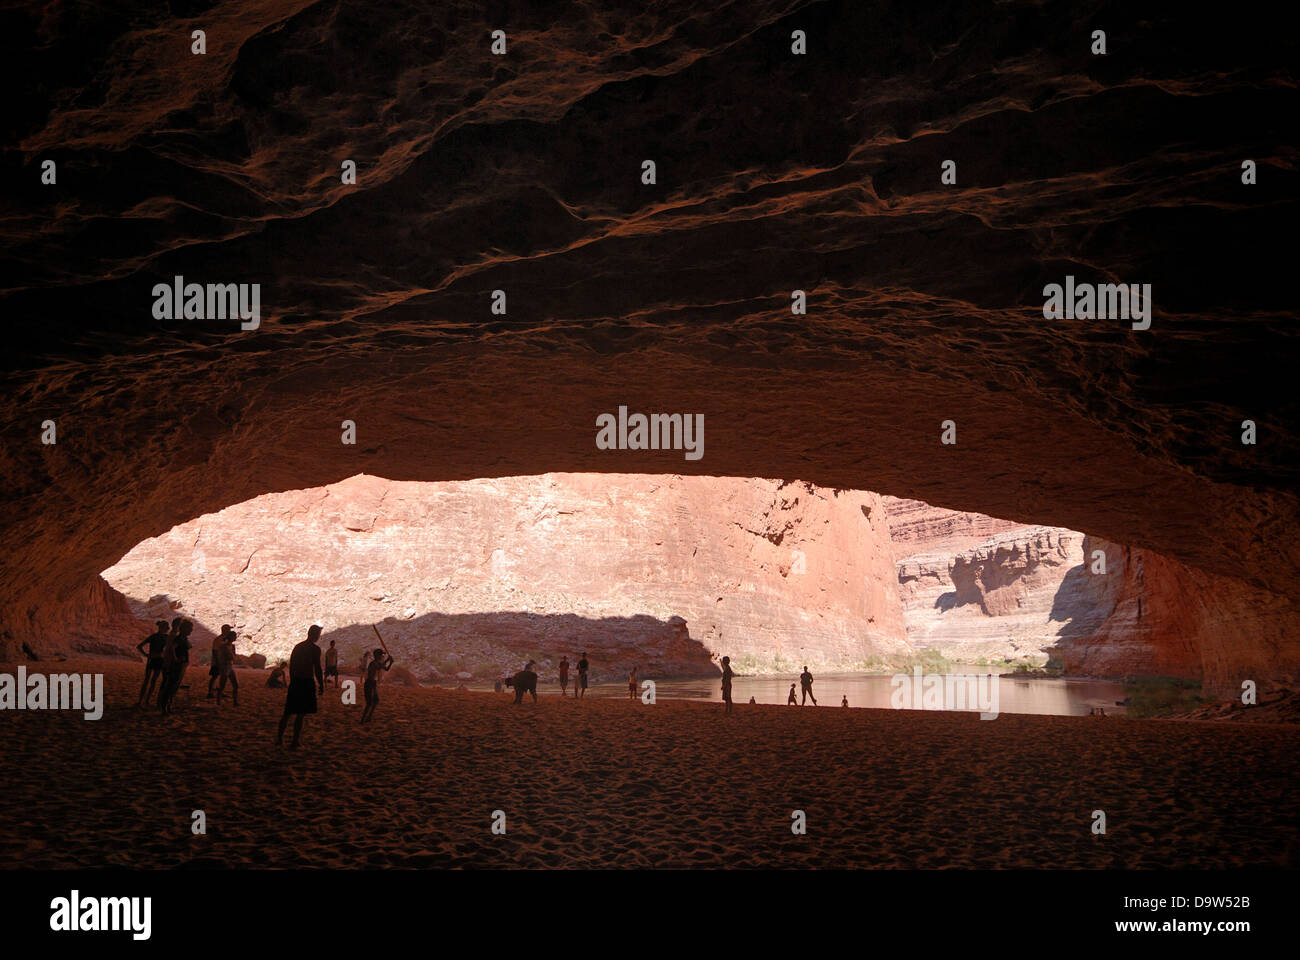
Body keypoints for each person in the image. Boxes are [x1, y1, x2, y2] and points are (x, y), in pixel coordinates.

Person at [276, 625, 325, 749]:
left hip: (296, 681)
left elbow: (292, 666)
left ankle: (279, 739)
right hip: (307, 682)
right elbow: (317, 668)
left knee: (287, 712)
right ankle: (295, 741)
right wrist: (321, 684)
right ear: (315, 635)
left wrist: (293, 681)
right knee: (301, 714)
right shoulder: (315, 649)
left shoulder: (298, 647)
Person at [159, 619, 193, 714]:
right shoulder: (179, 639)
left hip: (181, 664)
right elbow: (172, 648)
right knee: (171, 685)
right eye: (190, 629)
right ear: (184, 629)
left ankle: (168, 705)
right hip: (177, 665)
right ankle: (165, 706)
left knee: (174, 685)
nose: (191, 630)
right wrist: (176, 659)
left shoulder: (183, 638)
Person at [136, 620, 170, 706]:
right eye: (166, 628)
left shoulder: (154, 636)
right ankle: (145, 700)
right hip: (158, 660)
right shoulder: (166, 638)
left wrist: (146, 655)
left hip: (152, 660)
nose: (167, 629)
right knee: (152, 681)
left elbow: (139, 646)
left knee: (148, 680)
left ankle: (141, 700)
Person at [361, 646, 395, 723]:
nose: (382, 656)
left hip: (373, 683)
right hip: (369, 683)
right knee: (369, 703)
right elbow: (380, 666)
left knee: (376, 701)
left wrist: (390, 662)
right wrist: (388, 660)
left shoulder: (377, 663)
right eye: (381, 655)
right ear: (377, 656)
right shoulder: (373, 664)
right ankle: (362, 720)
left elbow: (386, 668)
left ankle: (368, 717)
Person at [208, 625, 234, 698]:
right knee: (215, 676)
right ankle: (210, 692)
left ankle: (220, 691)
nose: (229, 631)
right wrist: (216, 662)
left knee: (221, 677)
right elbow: (215, 651)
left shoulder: (225, 640)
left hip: (223, 662)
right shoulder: (218, 640)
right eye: (228, 629)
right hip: (218, 661)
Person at [216, 628, 239, 707]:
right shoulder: (224, 646)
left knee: (235, 685)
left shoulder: (231, 646)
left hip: (229, 666)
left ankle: (235, 701)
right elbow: (222, 657)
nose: (236, 637)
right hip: (225, 666)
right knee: (222, 685)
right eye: (234, 636)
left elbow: (233, 656)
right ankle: (218, 701)